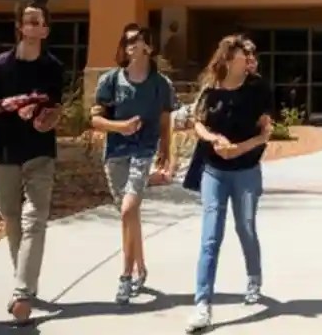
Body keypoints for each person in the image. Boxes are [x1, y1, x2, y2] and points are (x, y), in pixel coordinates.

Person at [0, 1, 66, 323]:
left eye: (41, 22)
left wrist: (47, 118)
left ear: (46, 30)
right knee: (11, 218)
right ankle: (23, 281)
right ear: (20, 27)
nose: (36, 26)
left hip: (39, 152)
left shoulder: (53, 68)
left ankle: (22, 292)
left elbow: (54, 108)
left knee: (35, 220)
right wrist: (6, 105)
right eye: (30, 21)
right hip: (3, 151)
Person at [186, 35, 273, 333]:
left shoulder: (258, 90)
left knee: (245, 227)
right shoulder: (210, 91)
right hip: (214, 171)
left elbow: (265, 134)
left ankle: (254, 277)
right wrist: (214, 139)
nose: (246, 59)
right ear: (228, 59)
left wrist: (240, 148)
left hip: (246, 169)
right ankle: (202, 305)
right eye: (240, 54)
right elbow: (198, 123)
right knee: (210, 237)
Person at [89, 25, 177, 304]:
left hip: (143, 150)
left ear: (148, 47)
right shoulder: (110, 81)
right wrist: (120, 126)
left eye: (135, 40)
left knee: (128, 208)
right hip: (116, 152)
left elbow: (165, 121)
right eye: (126, 40)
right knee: (130, 214)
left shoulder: (160, 84)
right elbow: (95, 120)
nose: (129, 45)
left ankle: (125, 277)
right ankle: (141, 268)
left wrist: (166, 151)